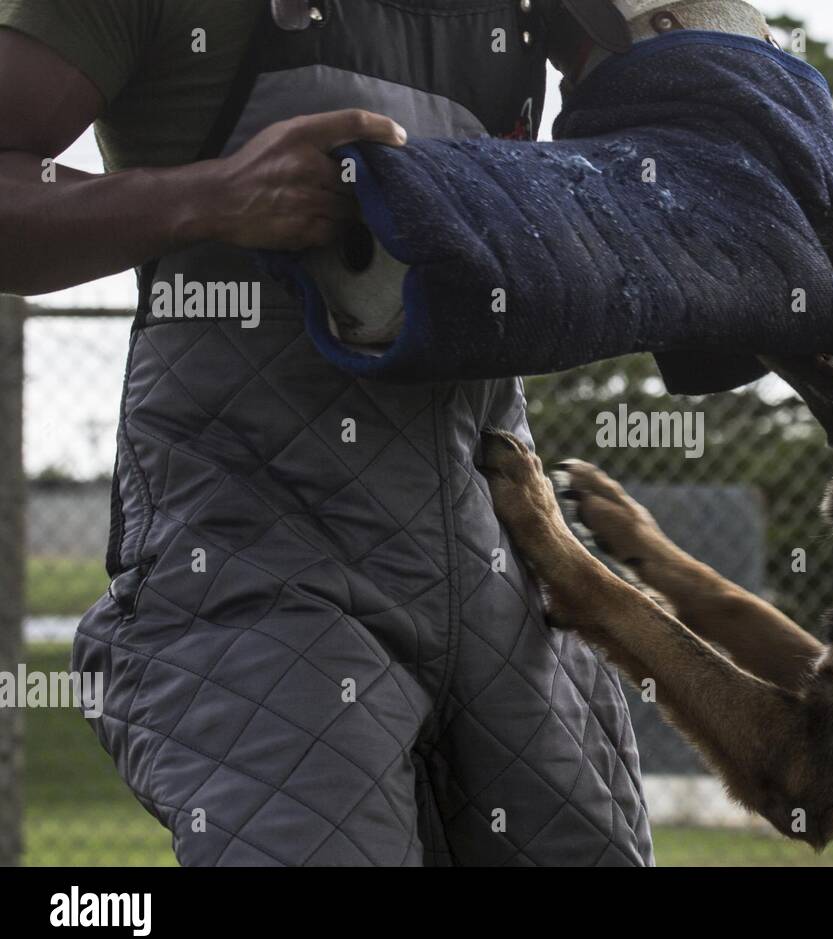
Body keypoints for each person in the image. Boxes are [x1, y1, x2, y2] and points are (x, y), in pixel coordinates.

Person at [0, 0, 654, 866]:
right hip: (263, 563)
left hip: (505, 552)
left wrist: (653, 63)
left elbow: (702, 173)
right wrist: (211, 196)